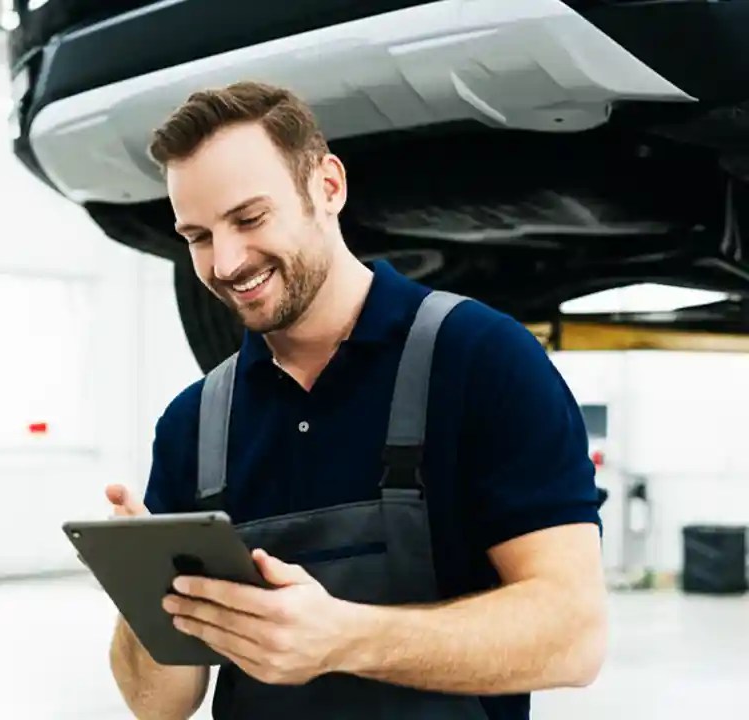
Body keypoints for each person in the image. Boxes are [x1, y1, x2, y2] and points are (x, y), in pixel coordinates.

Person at [104, 81, 607, 719]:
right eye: (198, 236)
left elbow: (574, 636)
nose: (226, 262)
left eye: (250, 219)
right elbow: (160, 705)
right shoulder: (194, 422)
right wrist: (143, 594)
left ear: (328, 186)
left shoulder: (482, 361)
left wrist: (342, 639)